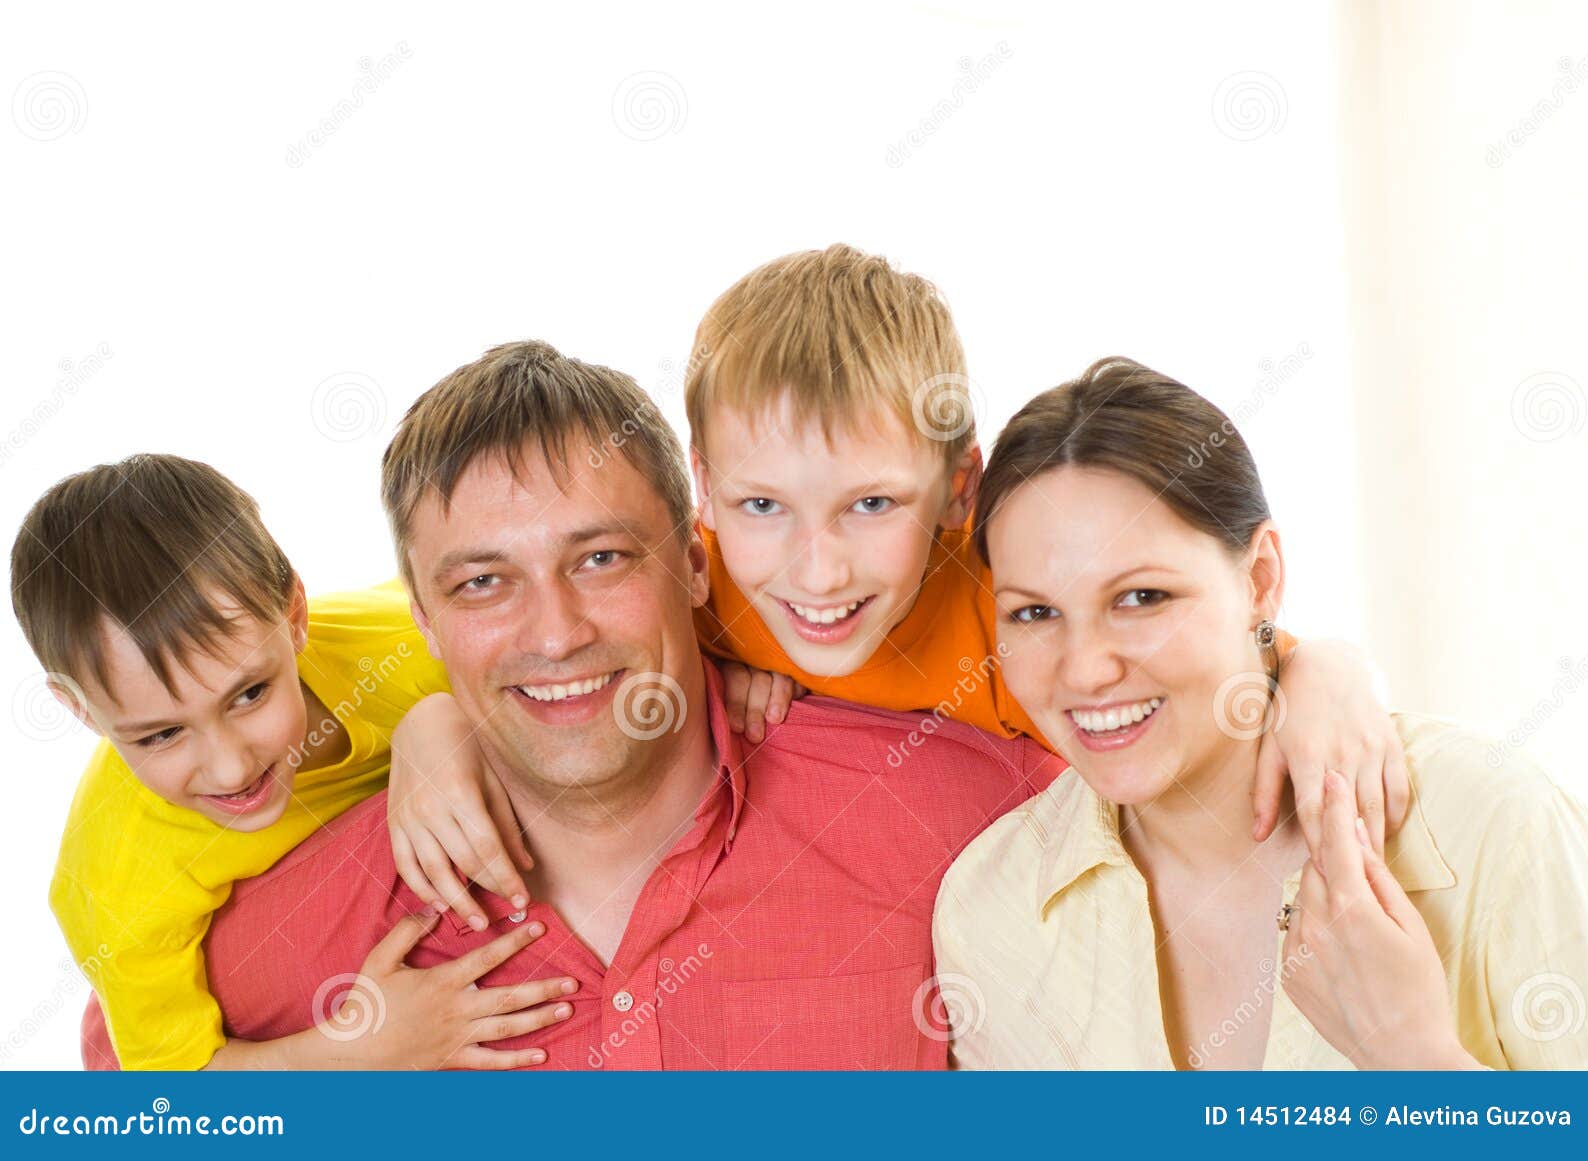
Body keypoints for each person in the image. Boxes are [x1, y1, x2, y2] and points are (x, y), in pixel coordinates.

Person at [79, 340, 1062, 1070]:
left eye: (600, 559)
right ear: (419, 616)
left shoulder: (970, 813)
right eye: (482, 584)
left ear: (690, 560)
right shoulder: (280, 940)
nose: (554, 633)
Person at [389, 245, 1413, 925]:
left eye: (871, 506)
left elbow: (1210, 655)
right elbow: (490, 626)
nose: (816, 571)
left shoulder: (1017, 620)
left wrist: (1329, 672)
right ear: (706, 492)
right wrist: (431, 731)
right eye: (761, 507)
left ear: (956, 489)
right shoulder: (684, 579)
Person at [932, 357, 1588, 1069]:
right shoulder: (990, 912)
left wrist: (1414, 1057)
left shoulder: (1497, 830)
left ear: (1260, 578)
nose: (1087, 668)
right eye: (1035, 612)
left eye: (1142, 597)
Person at [12, 455, 571, 1070]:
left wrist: (435, 722)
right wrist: (361, 1051)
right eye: (163, 735)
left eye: (249, 695)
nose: (229, 768)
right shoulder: (111, 873)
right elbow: (177, 1090)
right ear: (80, 710)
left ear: (294, 617)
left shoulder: (398, 650)